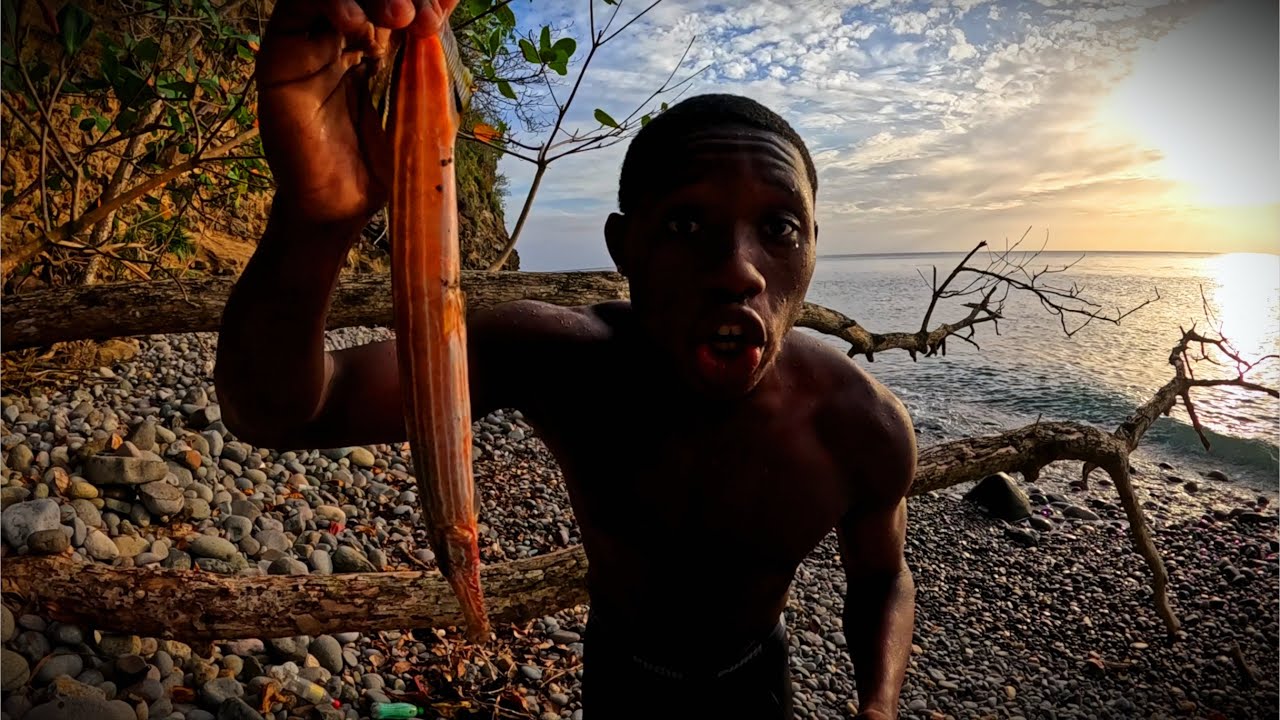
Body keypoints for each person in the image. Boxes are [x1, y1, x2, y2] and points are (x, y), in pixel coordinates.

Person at [215, 1, 918, 718]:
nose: (740, 270)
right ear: (623, 248)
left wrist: (880, 705)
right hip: (620, 670)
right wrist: (315, 218)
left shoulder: (860, 425)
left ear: (813, 247)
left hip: (756, 676)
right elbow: (277, 409)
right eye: (685, 224)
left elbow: (883, 579)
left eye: (779, 228)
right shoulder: (560, 361)